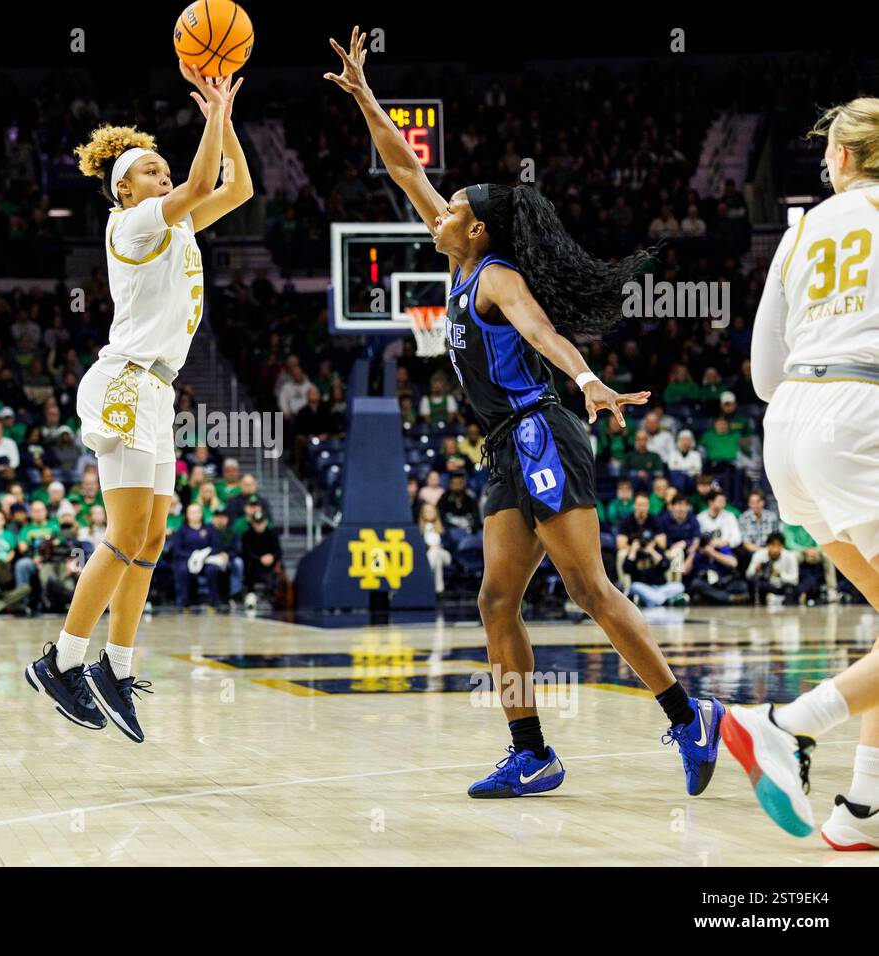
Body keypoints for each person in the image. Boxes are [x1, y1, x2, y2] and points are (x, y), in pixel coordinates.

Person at [327, 26, 722, 799]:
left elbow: (544, 332)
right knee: (494, 599)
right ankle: (531, 751)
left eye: (452, 209)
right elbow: (406, 165)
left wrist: (587, 379)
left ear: (475, 226)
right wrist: (366, 94)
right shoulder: (461, 256)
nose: (436, 213)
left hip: (543, 427)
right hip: (505, 444)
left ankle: (688, 713)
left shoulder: (497, 275)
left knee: (589, 589)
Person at [25, 62, 251, 744]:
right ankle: (60, 660)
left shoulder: (173, 226)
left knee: (150, 541)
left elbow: (235, 186)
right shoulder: (131, 225)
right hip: (123, 381)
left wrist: (227, 119)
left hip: (156, 390)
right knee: (123, 535)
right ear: (124, 187)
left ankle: (115, 669)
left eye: (163, 168)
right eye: (152, 169)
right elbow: (200, 184)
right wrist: (211, 118)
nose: (163, 175)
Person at [727, 97, 879, 847]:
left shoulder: (799, 231)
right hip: (862, 414)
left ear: (843, 159)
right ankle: (784, 725)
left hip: (788, 423)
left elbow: (760, 373)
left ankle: (863, 809)